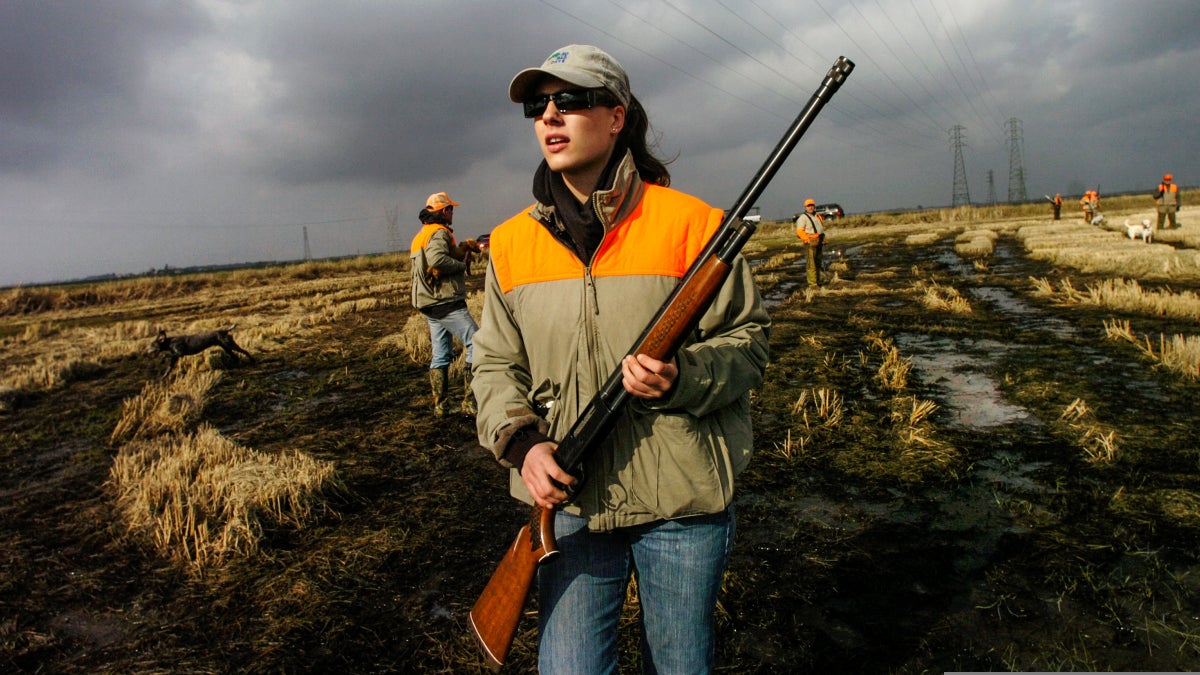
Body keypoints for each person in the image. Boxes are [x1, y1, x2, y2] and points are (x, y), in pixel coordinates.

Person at [472, 44, 769, 673]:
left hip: (683, 503)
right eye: (537, 105)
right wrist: (524, 446)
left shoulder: (695, 226)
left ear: (616, 117)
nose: (549, 116)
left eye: (570, 100)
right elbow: (495, 365)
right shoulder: (510, 244)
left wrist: (682, 376)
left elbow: (748, 346)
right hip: (571, 504)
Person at [410, 191, 478, 417]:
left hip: (428, 302)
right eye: (450, 209)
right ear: (443, 211)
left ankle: (441, 406)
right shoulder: (440, 233)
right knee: (477, 342)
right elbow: (437, 260)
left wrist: (459, 251)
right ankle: (470, 403)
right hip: (444, 301)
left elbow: (432, 261)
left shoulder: (422, 234)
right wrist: (461, 265)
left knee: (441, 354)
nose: (452, 213)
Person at [795, 198, 826, 287]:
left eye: (812, 205)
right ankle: (813, 284)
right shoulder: (803, 218)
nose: (811, 207)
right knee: (811, 264)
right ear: (805, 207)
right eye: (809, 206)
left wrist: (823, 238)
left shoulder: (817, 216)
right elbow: (799, 231)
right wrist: (807, 240)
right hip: (810, 244)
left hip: (818, 242)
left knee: (818, 263)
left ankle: (818, 280)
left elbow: (820, 229)